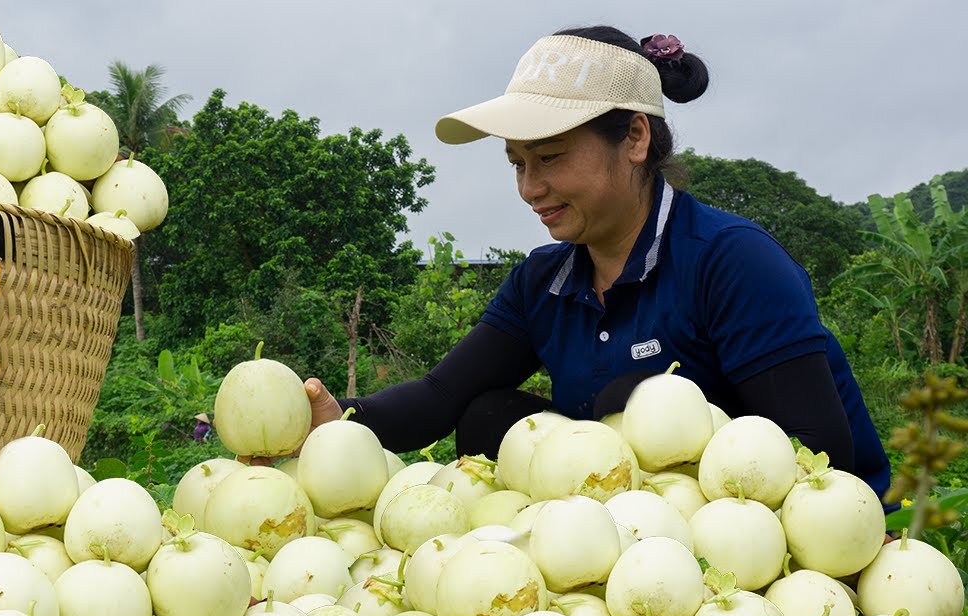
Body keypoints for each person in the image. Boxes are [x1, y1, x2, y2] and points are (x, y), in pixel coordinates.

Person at [294, 25, 892, 501]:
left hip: (780, 530)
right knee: (489, 417)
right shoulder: (544, 280)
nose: (531, 188)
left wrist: (647, 406)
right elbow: (440, 394)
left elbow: (820, 450)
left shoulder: (730, 260)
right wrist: (340, 419)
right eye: (517, 164)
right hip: (630, 527)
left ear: (634, 139)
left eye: (550, 157)